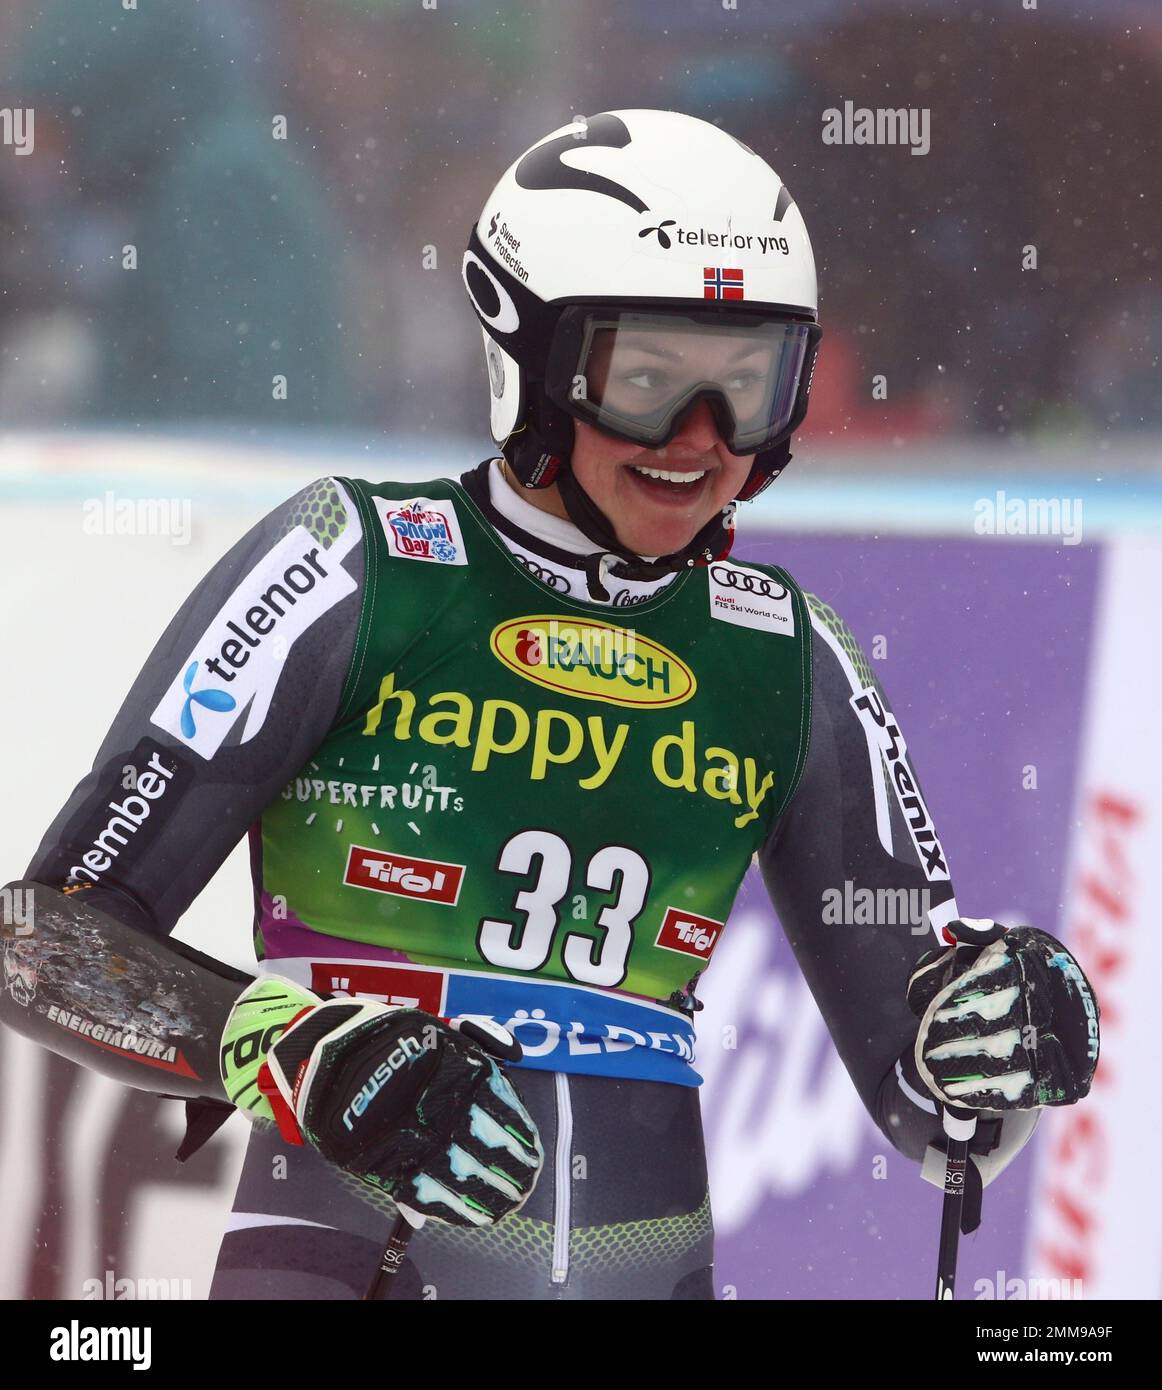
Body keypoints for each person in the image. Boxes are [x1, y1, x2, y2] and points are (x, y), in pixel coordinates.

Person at [0, 109, 1099, 1301]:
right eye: (646, 379)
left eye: (747, 383)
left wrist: (999, 1046)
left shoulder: (789, 648)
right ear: (526, 356)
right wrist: (285, 1042)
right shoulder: (356, 561)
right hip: (348, 1257)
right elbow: (41, 941)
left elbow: (941, 1118)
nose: (701, 441)